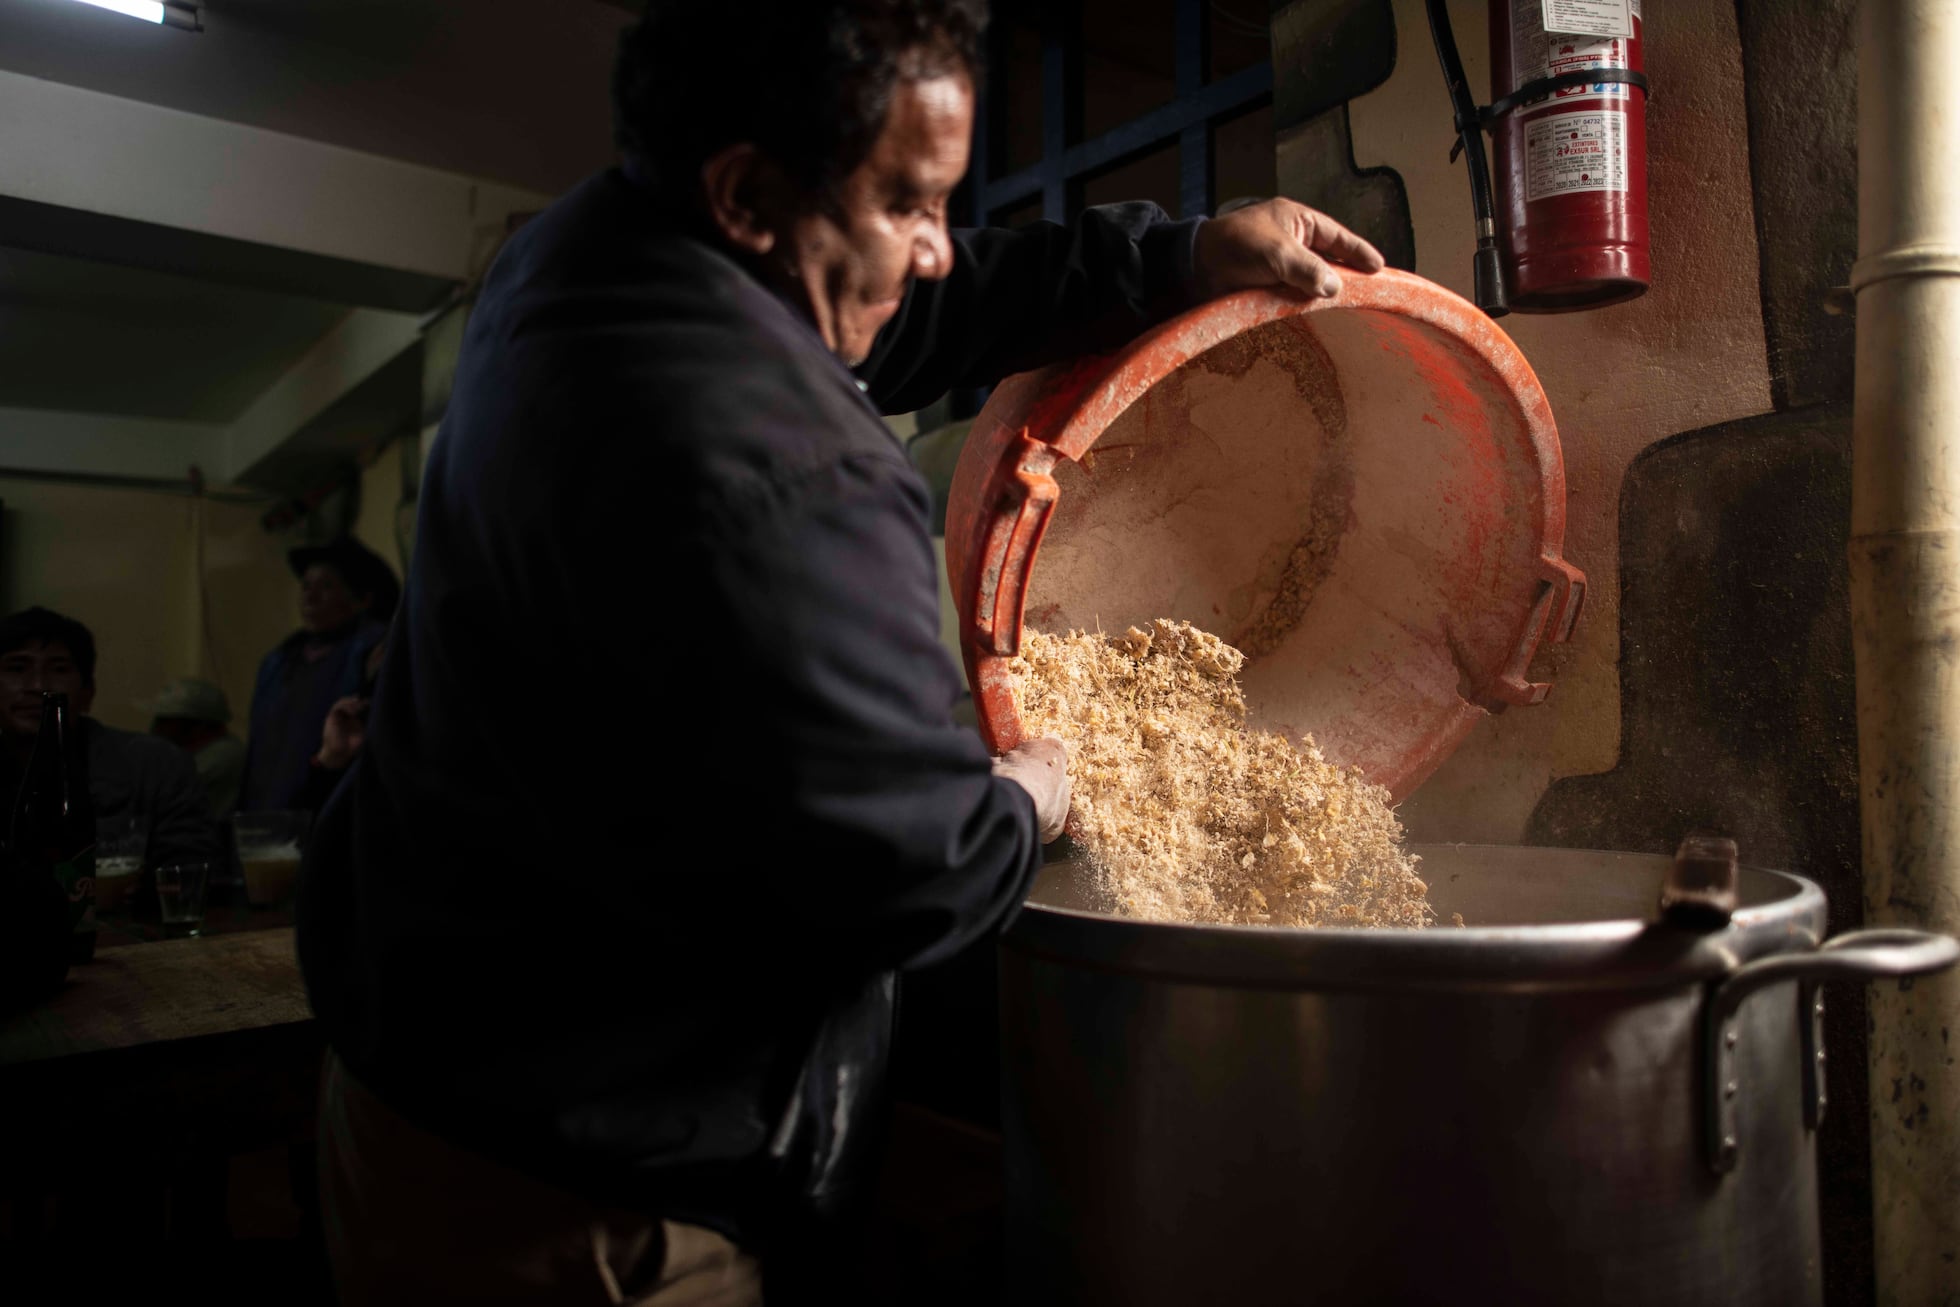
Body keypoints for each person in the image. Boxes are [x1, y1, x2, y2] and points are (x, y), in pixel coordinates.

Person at [297, 2, 1383, 1301]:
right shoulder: (786, 471)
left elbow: (916, 305)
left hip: (413, 1070)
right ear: (746, 194)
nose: (935, 246)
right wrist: (1035, 790)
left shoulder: (585, 251)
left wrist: (1179, 253)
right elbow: (909, 872)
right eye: (908, 202)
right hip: (586, 1193)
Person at [0, 608, 219, 868]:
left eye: (59, 669)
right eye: (17, 668)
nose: (38, 686)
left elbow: (189, 874)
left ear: (88, 693)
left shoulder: (156, 767)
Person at [240, 537, 396, 814]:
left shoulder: (372, 650)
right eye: (306, 586)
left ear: (362, 599)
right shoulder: (278, 662)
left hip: (335, 809)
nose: (309, 596)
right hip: (271, 813)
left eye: (326, 586)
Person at [144, 677, 247, 819]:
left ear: (199, 725)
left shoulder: (224, 756)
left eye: (166, 721)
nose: (157, 728)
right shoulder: (194, 753)